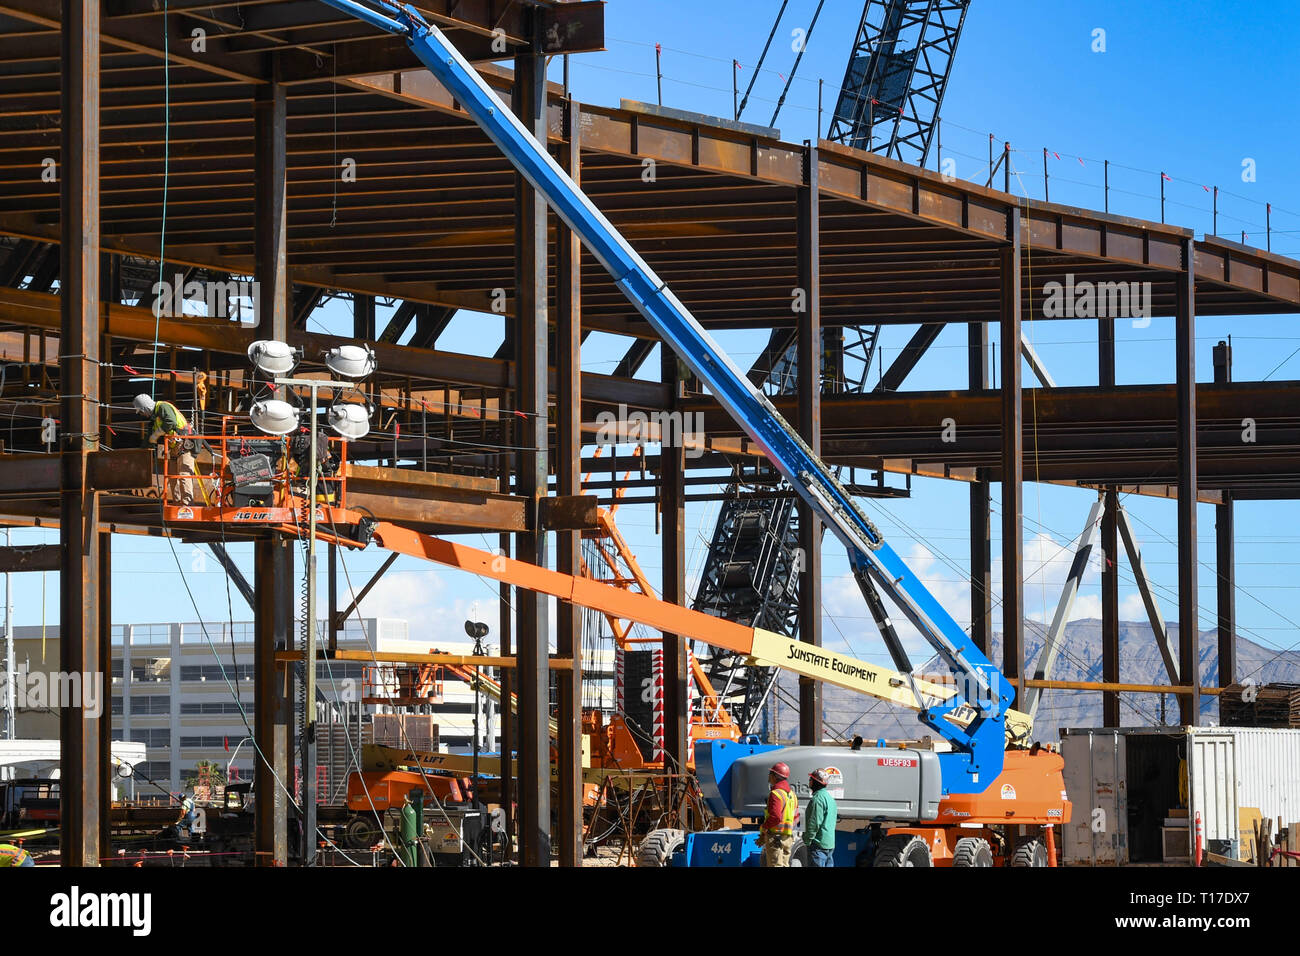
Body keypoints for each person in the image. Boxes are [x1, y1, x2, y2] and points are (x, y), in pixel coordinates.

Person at [135, 393, 195, 505]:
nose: (142, 415)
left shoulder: (163, 407)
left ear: (145, 407)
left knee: (184, 475)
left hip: (185, 444)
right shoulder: (155, 417)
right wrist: (141, 452)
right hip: (174, 448)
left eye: (141, 412)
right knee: (172, 478)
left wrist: (156, 434)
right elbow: (149, 437)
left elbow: (170, 421)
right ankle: (177, 504)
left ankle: (187, 505)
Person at [757, 760, 797, 867]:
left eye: (770, 774)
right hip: (787, 837)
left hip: (776, 837)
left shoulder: (775, 794)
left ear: (775, 776)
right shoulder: (792, 795)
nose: (769, 776)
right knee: (784, 865)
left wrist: (764, 827)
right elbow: (796, 816)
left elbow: (775, 817)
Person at [804, 768, 838, 868]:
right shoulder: (829, 798)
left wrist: (807, 839)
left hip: (818, 845)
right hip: (829, 844)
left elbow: (814, 823)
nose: (809, 781)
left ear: (815, 782)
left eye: (811, 779)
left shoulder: (817, 799)